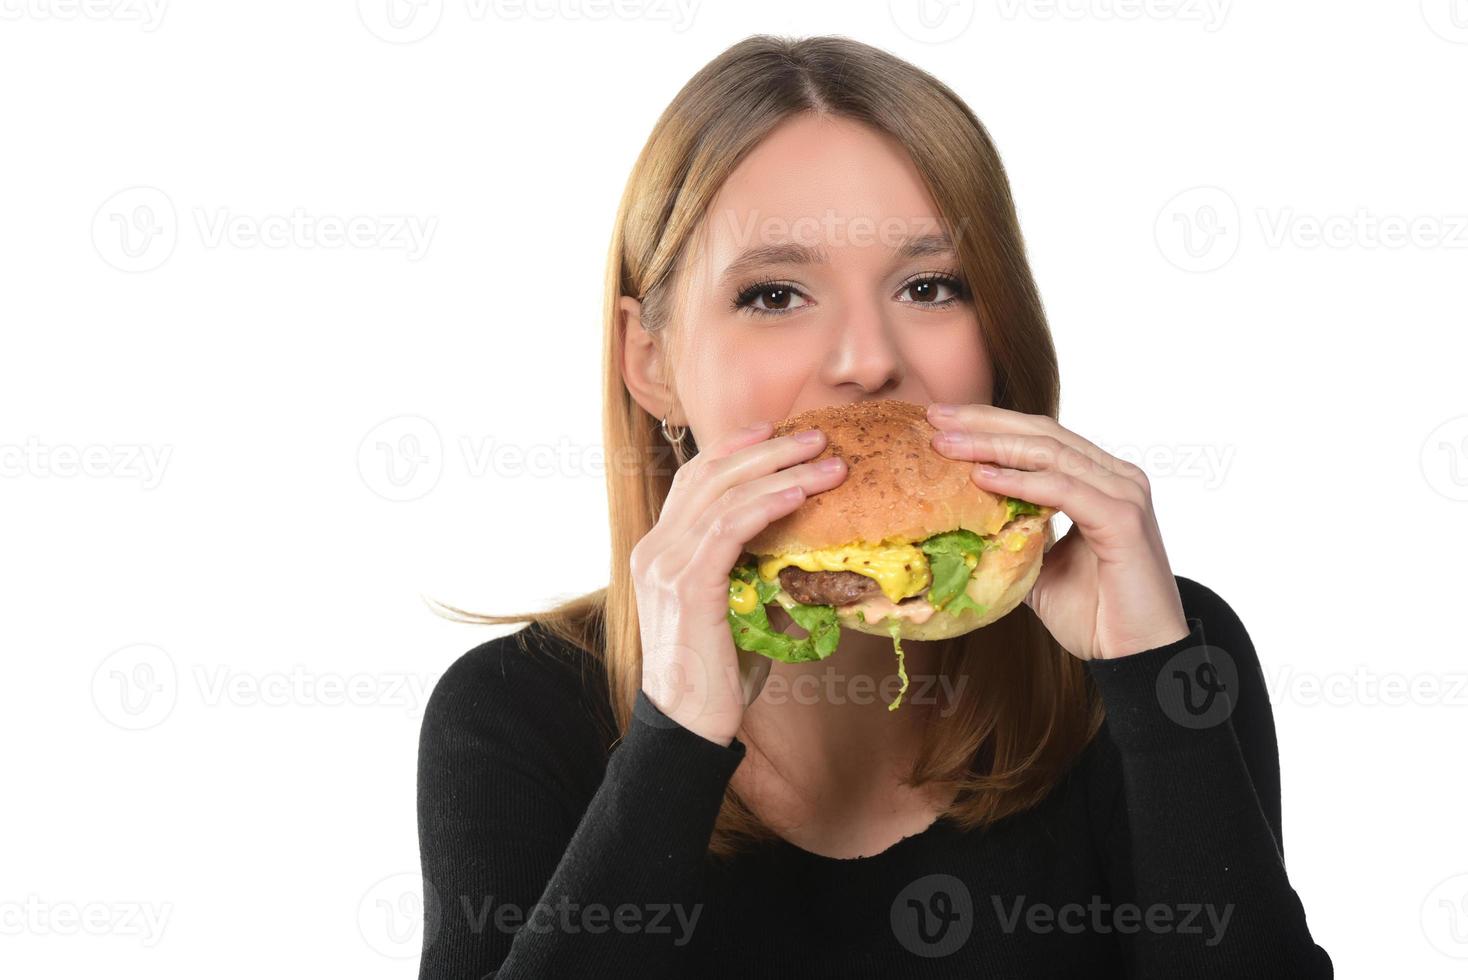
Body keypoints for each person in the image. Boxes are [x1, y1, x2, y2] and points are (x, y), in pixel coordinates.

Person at [415, 34, 1333, 978]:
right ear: (650, 365)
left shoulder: (1169, 651)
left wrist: (1151, 676)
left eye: (930, 286)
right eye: (774, 293)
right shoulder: (512, 717)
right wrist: (675, 738)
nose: (866, 359)